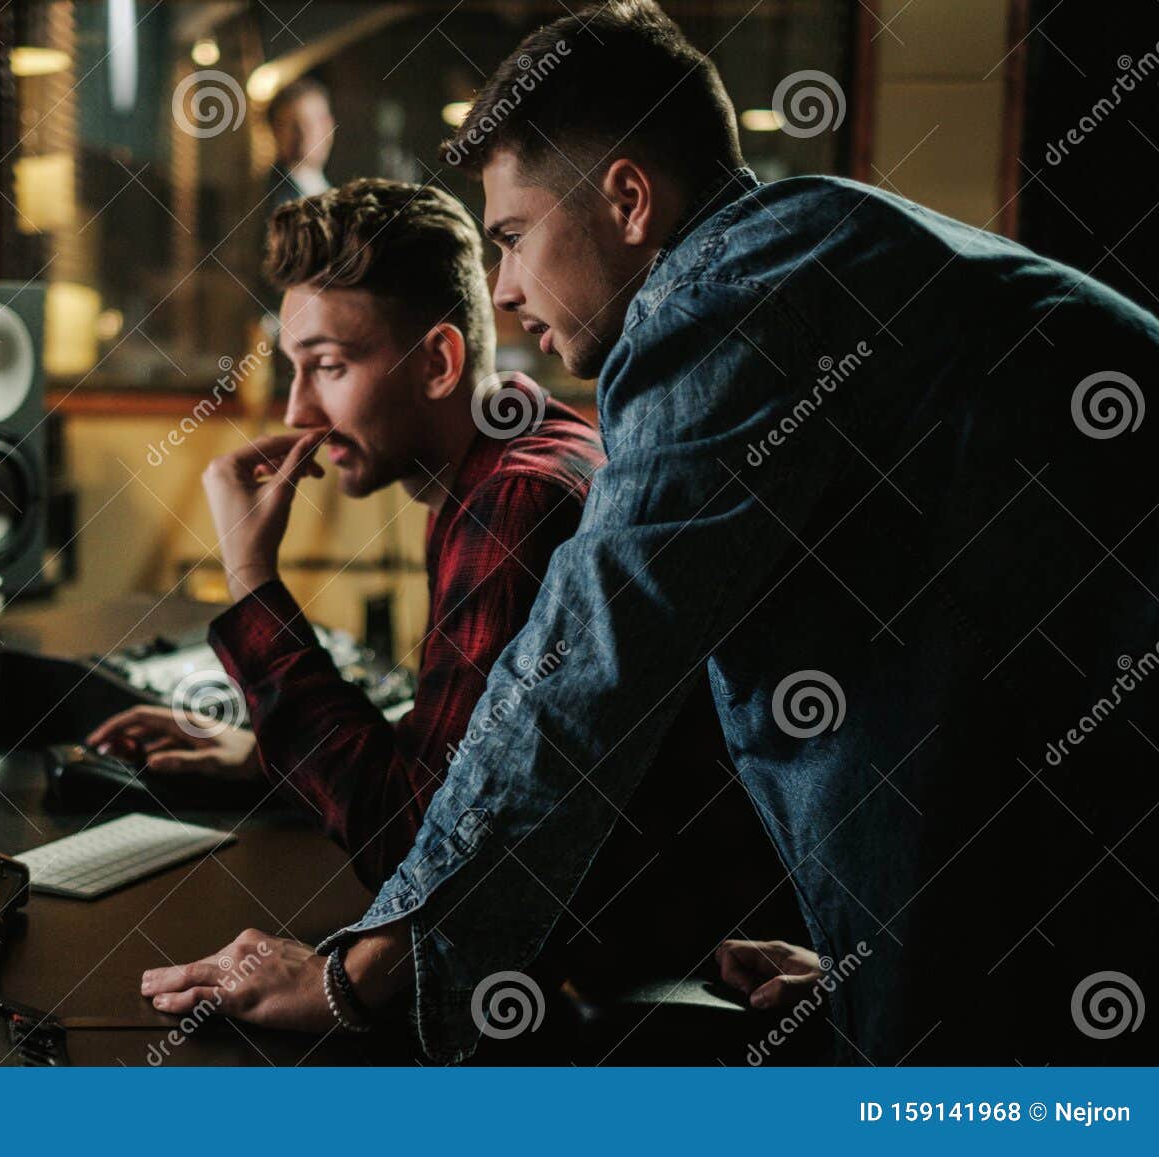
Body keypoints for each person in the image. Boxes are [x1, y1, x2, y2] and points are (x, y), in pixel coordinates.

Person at [140, 0, 1159, 1065]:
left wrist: (359, 974)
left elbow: (581, 682)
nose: (504, 287)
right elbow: (966, 658)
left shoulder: (723, 304)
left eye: (513, 238)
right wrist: (870, 948)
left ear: (627, 199)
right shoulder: (811, 247)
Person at [88, 178, 604, 892]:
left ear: (438, 363)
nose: (300, 410)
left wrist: (252, 581)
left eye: (329, 366)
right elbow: (455, 765)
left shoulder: (513, 502)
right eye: (294, 368)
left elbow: (415, 843)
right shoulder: (524, 441)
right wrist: (268, 752)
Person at [265, 76, 336, 210]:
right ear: (275, 130)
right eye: (294, 124)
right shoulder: (270, 202)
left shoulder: (330, 189)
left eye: (316, 121)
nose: (305, 134)